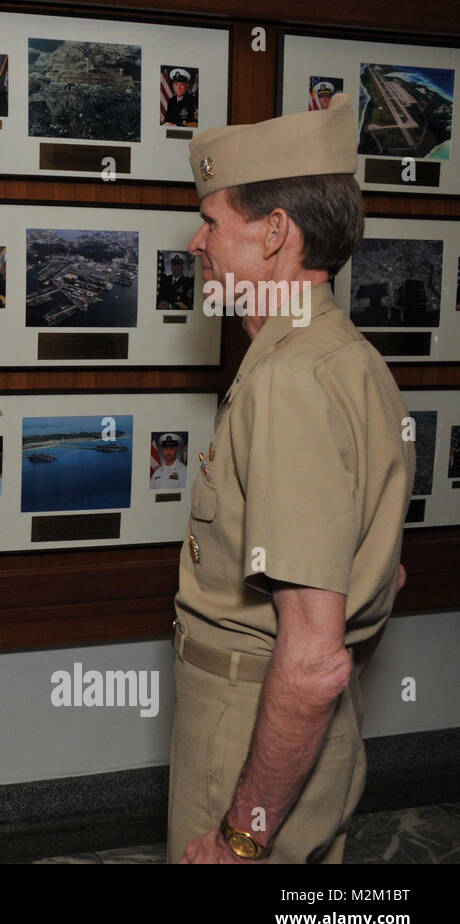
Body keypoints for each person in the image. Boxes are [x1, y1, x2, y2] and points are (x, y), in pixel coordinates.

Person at [170, 93, 413, 863]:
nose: (196, 241)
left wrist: (243, 833)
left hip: (248, 733)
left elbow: (308, 660)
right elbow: (387, 577)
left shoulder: (292, 381)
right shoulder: (344, 357)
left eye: (212, 220)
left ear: (274, 233)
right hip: (299, 732)